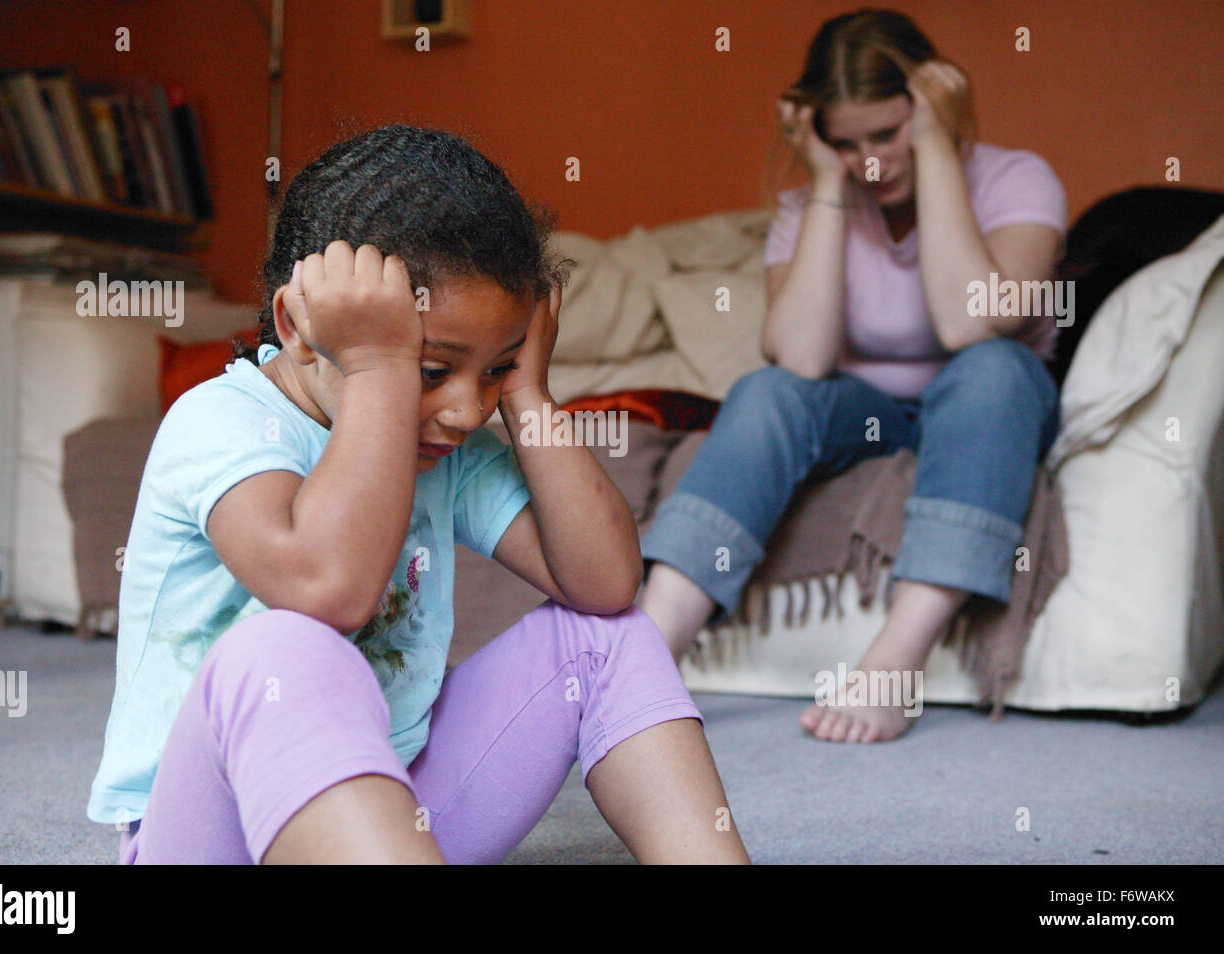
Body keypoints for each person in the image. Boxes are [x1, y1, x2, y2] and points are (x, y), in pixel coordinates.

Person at [87, 124, 750, 864]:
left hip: (400, 818)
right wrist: (378, 369)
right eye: (433, 371)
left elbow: (603, 582)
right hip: (217, 836)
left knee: (610, 636)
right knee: (279, 646)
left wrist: (529, 394)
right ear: (299, 330)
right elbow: (325, 590)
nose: (468, 411)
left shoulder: (447, 448)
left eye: (494, 368)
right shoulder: (222, 422)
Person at [639, 9, 1066, 744]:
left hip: (985, 410)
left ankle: (895, 665)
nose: (872, 161)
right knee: (768, 391)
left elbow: (971, 321)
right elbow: (802, 358)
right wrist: (827, 186)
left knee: (994, 365)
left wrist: (934, 147)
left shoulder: (1017, 178)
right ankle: (647, 657)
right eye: (848, 142)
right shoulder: (809, 204)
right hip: (865, 414)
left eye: (888, 133)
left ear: (931, 106)